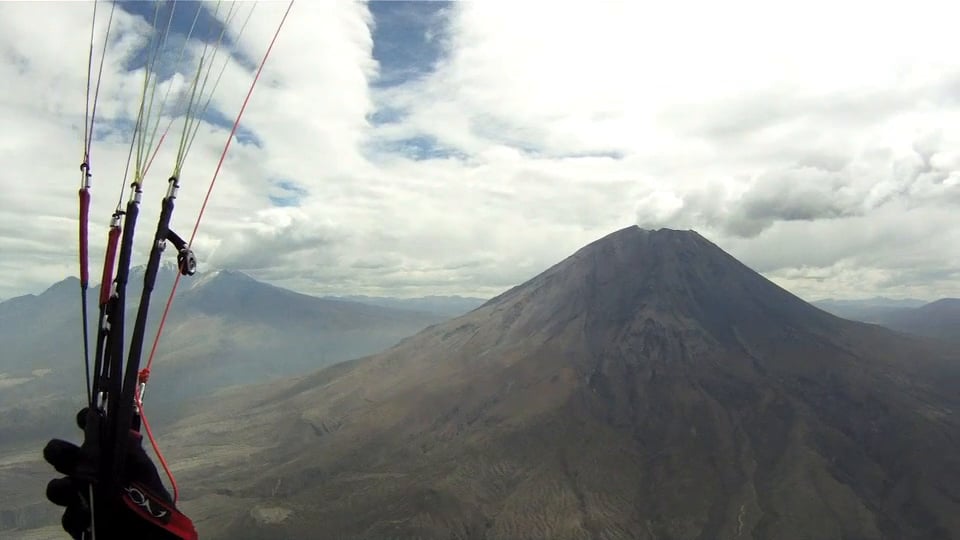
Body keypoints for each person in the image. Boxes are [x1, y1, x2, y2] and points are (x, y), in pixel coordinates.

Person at [44, 408, 198, 540]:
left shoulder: (132, 469)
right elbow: (132, 449)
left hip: (166, 528)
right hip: (170, 529)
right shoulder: (133, 468)